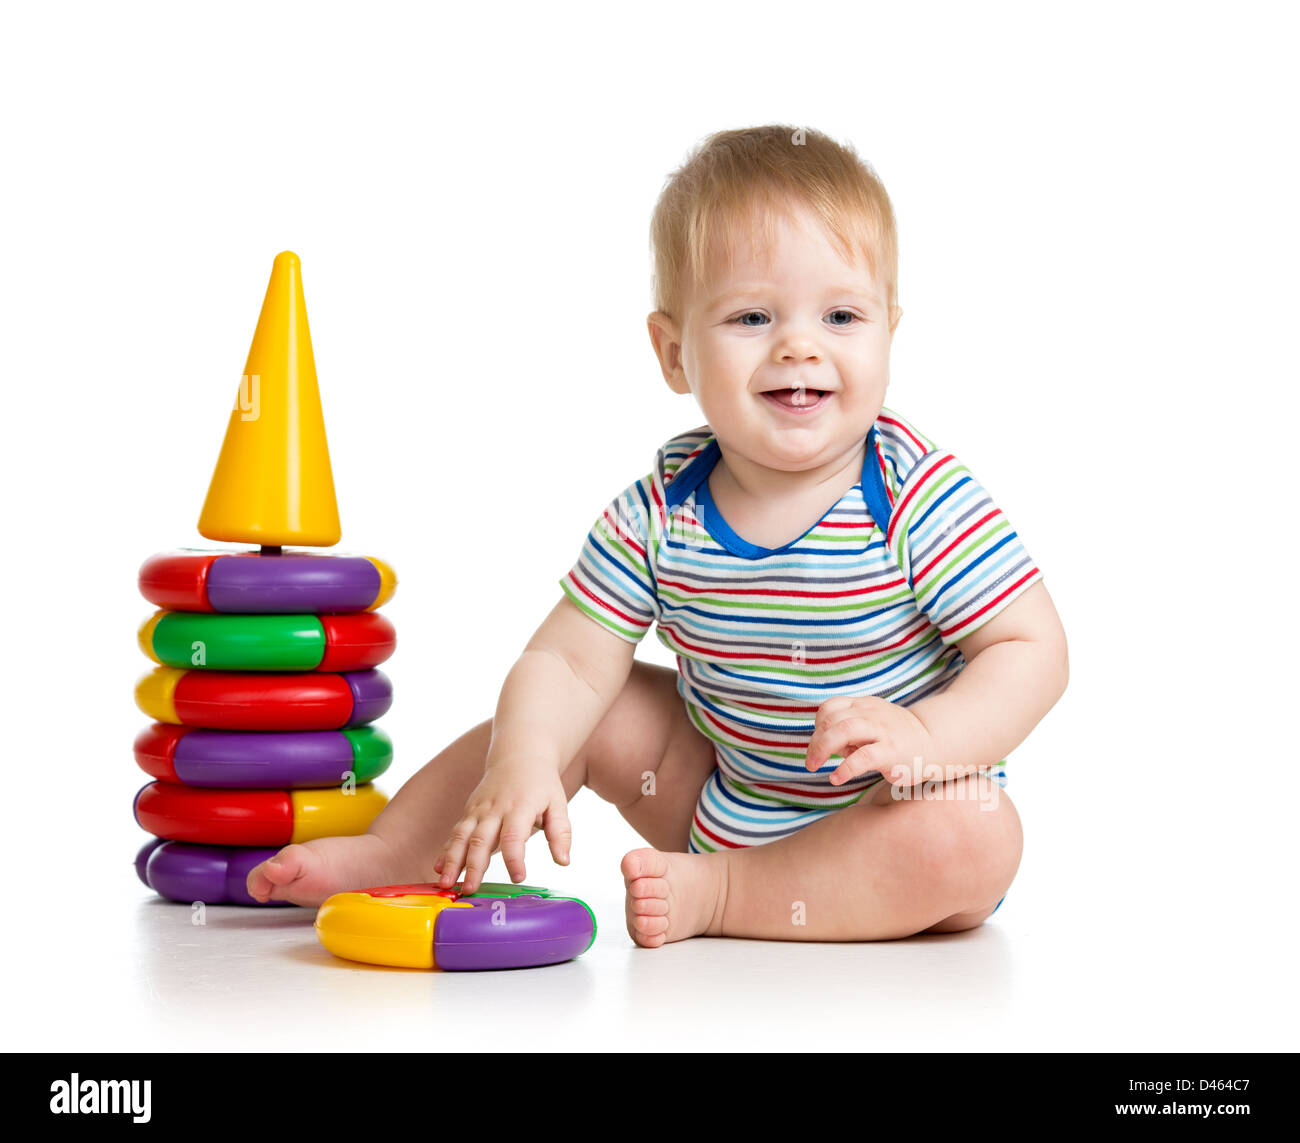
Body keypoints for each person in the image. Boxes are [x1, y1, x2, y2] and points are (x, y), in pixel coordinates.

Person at [248, 124, 1068, 946]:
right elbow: (566, 660)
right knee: (573, 713)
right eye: (752, 315)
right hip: (718, 797)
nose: (798, 344)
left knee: (979, 830)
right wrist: (529, 756)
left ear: (890, 331)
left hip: (892, 832)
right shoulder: (659, 512)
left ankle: (725, 895)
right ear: (674, 353)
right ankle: (398, 850)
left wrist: (925, 736)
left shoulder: (916, 494)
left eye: (842, 314)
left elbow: (1033, 649)